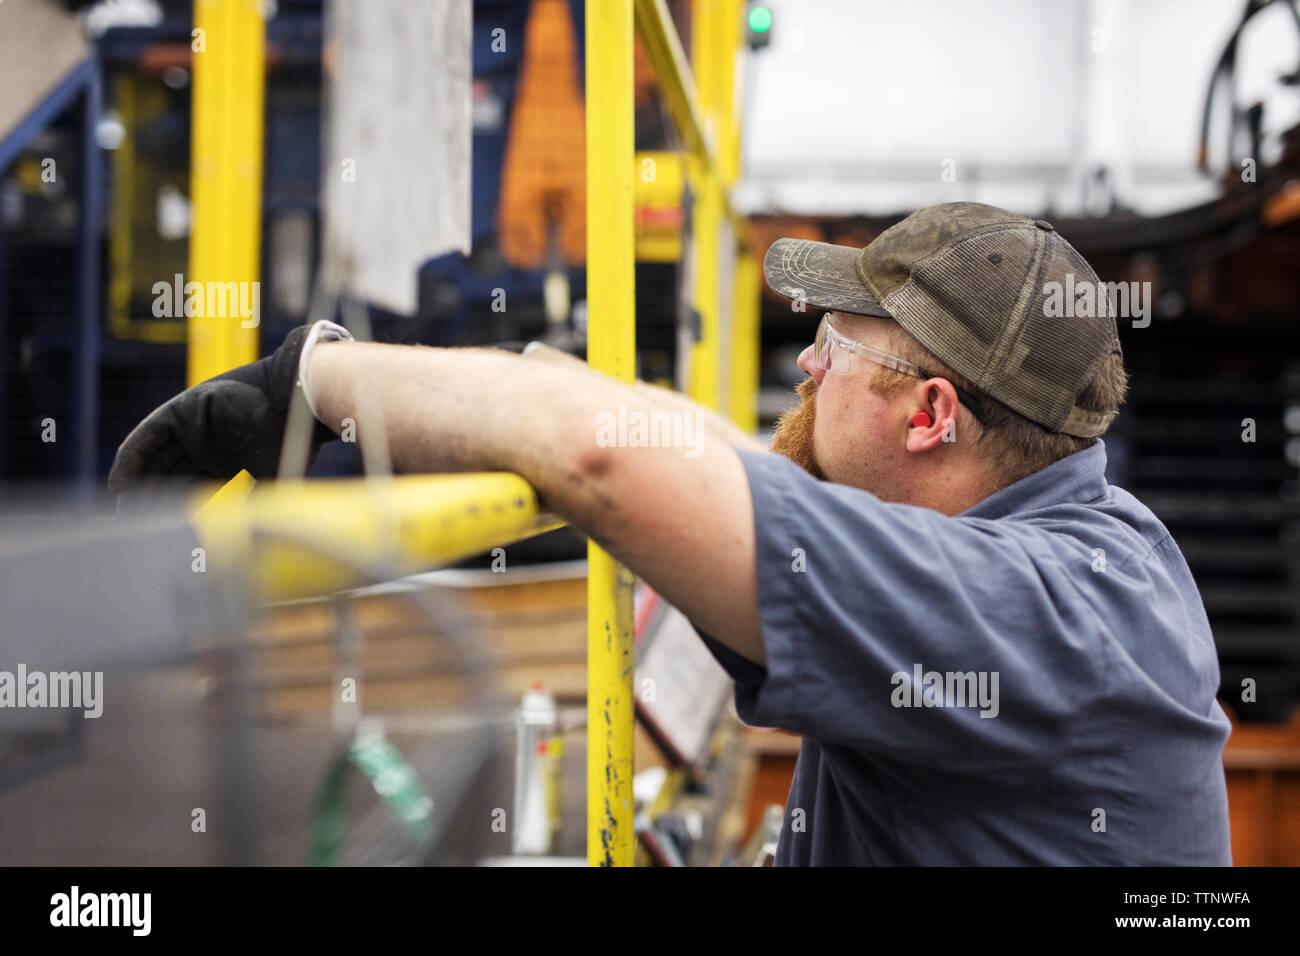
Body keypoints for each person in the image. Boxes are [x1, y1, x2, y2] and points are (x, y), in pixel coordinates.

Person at [110, 201, 1232, 865]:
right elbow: (708, 454)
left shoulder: (1029, 615)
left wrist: (316, 381)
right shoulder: (1089, 547)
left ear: (930, 413)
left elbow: (606, 460)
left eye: (833, 349)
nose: (804, 366)